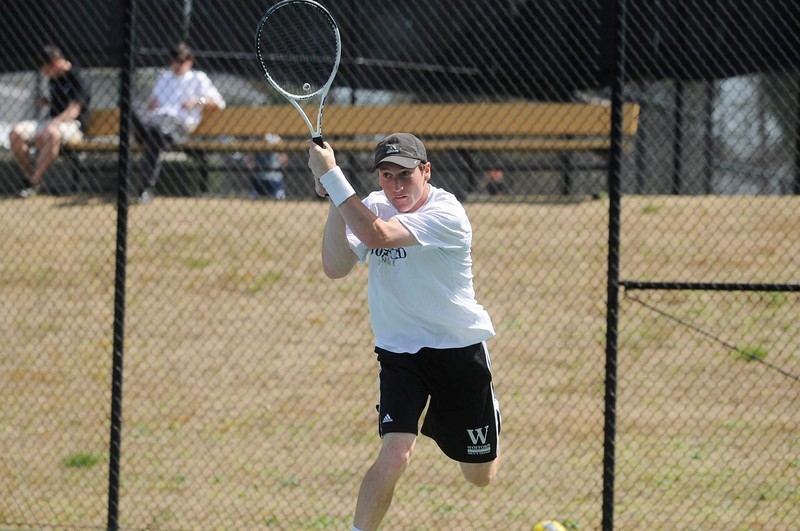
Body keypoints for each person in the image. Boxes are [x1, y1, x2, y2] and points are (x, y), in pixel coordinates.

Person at [307, 133, 501, 531]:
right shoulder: (373, 207)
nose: (395, 186)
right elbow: (334, 267)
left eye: (405, 175)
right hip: (400, 355)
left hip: (458, 351)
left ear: (426, 171)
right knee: (396, 454)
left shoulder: (447, 213)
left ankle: (490, 413)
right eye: (386, 175)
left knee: (479, 475)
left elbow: (377, 235)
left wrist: (333, 178)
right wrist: (333, 196)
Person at [132, 42, 225, 204]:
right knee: (133, 106)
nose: (176, 65)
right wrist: (151, 106)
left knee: (154, 134)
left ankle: (145, 186)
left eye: (180, 61)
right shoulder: (164, 77)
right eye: (173, 61)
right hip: (158, 120)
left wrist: (198, 101)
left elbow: (219, 103)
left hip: (180, 122)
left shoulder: (198, 78)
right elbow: (152, 104)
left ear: (190, 61)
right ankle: (154, 136)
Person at [9, 45, 90, 198]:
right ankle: (30, 176)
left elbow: (74, 110)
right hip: (50, 121)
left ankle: (33, 182)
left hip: (74, 126)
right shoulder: (54, 79)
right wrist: (46, 102)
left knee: (52, 134)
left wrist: (54, 123)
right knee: (16, 132)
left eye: (47, 71)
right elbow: (57, 103)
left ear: (55, 63)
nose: (46, 75)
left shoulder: (79, 77)